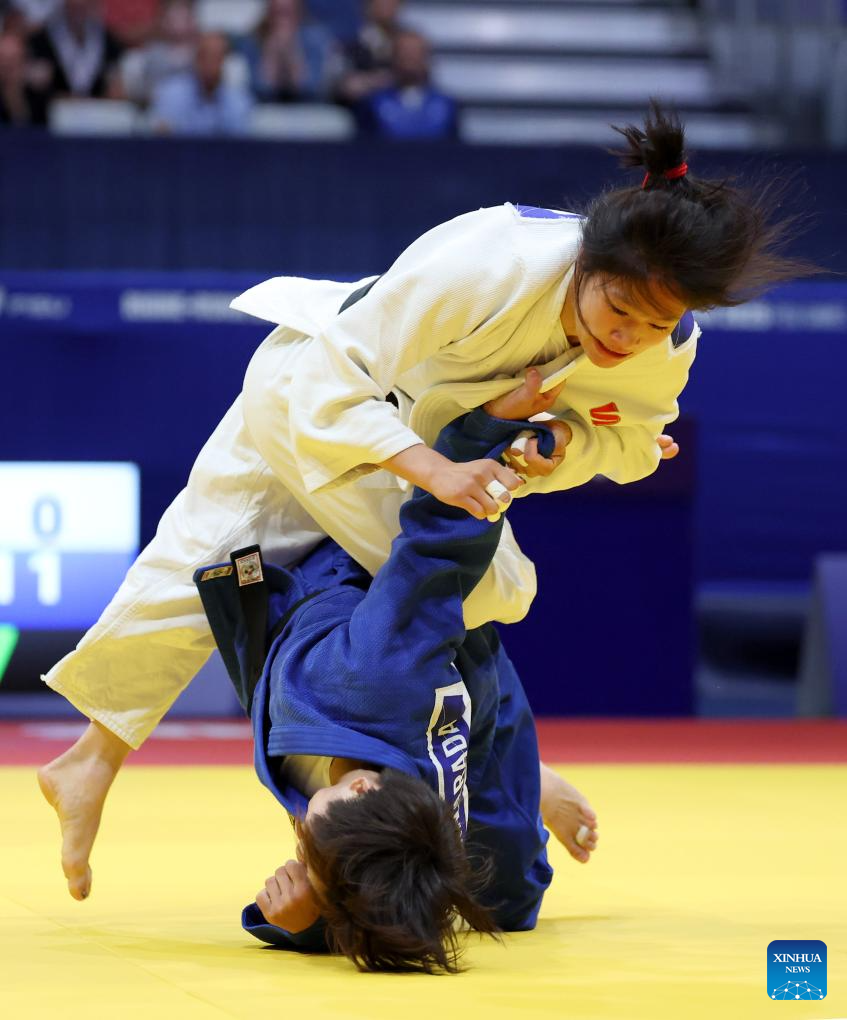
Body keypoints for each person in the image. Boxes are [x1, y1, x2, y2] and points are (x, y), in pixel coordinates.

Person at [38, 103, 813, 902]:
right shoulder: (488, 259)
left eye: (658, 323)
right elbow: (330, 379)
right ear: (584, 264)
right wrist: (438, 474)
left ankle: (500, 765)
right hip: (313, 387)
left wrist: (560, 448)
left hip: (427, 443)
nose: (630, 339)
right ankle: (93, 760)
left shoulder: (665, 345)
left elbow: (631, 441)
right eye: (619, 311)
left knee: (480, 589)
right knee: (210, 554)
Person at [196, 380, 599, 971]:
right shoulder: (370, 677)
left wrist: (303, 923)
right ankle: (531, 782)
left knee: (508, 908)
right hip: (444, 675)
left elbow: (377, 899)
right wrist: (483, 432)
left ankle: (525, 783)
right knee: (511, 901)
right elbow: (436, 556)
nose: (302, 854)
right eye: (317, 853)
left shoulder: (368, 807)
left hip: (443, 696)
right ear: (361, 789)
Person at [358, 27, 456, 140]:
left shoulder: (446, 106)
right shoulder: (373, 103)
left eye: (416, 53)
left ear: (427, 59)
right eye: (404, 53)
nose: (409, 59)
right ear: (393, 58)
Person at [149, 30, 253, 135]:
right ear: (195, 59)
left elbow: (239, 146)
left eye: (217, 58)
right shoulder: (171, 94)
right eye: (205, 57)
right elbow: (162, 142)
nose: (210, 65)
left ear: (225, 62)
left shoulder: (238, 101)